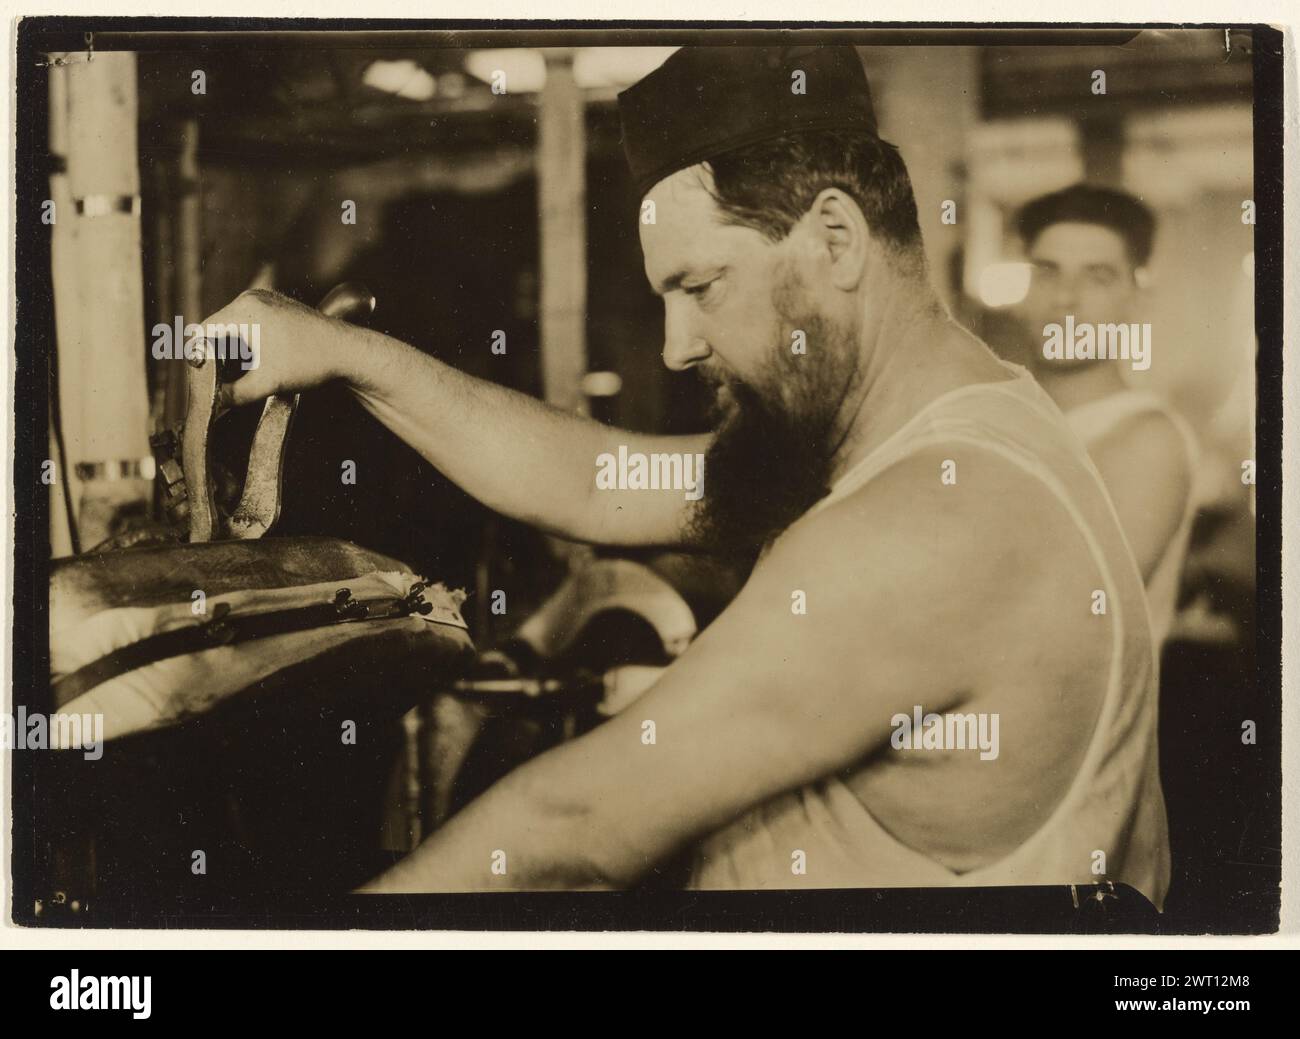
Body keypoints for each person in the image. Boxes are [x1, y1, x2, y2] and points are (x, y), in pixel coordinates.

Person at [201, 45, 1169, 904]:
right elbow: (596, 482)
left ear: (834, 238)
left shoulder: (931, 521)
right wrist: (344, 352)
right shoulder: (917, 434)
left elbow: (571, 832)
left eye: (701, 288)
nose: (674, 347)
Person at [1016, 184, 1198, 648]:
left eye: (1097, 277)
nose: (1065, 298)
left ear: (1135, 299)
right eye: (1047, 272)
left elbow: (1070, 621)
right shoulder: (1001, 415)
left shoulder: (1148, 436)